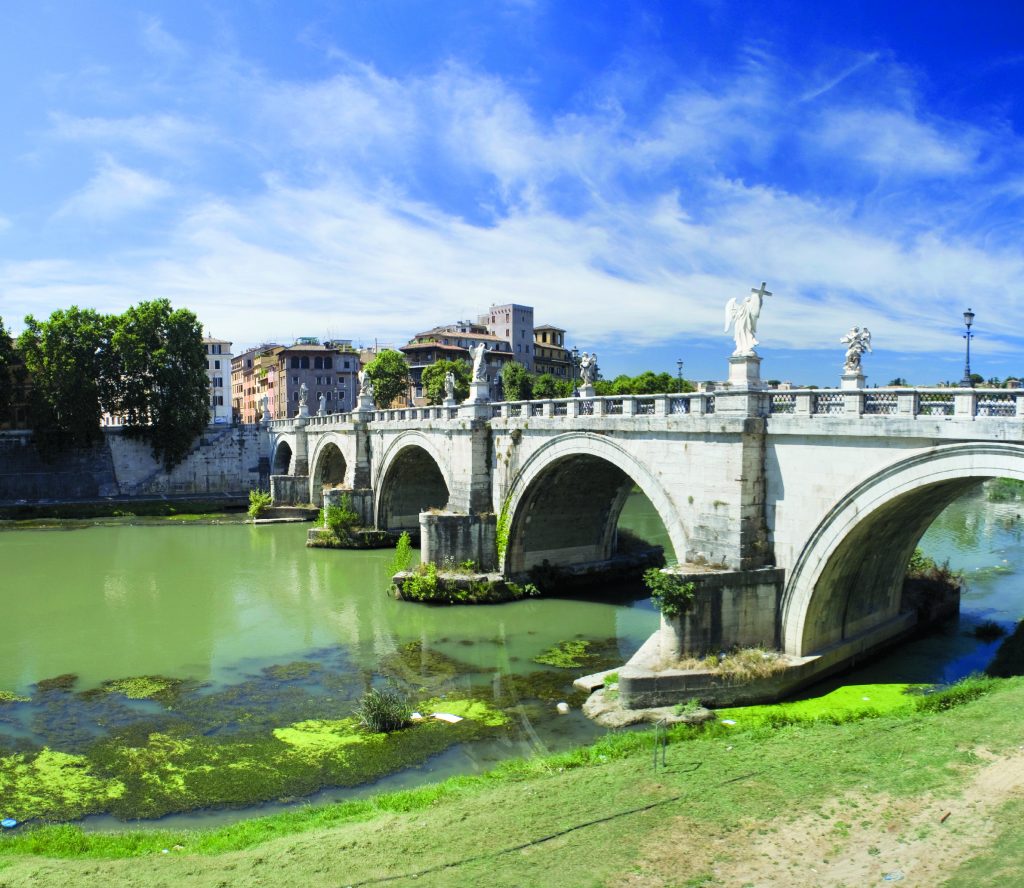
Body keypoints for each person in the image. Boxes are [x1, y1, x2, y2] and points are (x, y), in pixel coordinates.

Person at [724, 282, 771, 356]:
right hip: (739, 326)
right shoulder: (738, 309)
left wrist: (759, 299)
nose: (748, 302)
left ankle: (747, 347)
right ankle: (740, 348)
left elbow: (756, 309)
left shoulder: (749, 309)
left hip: (747, 325)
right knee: (739, 335)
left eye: (749, 301)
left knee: (747, 333)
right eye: (747, 301)